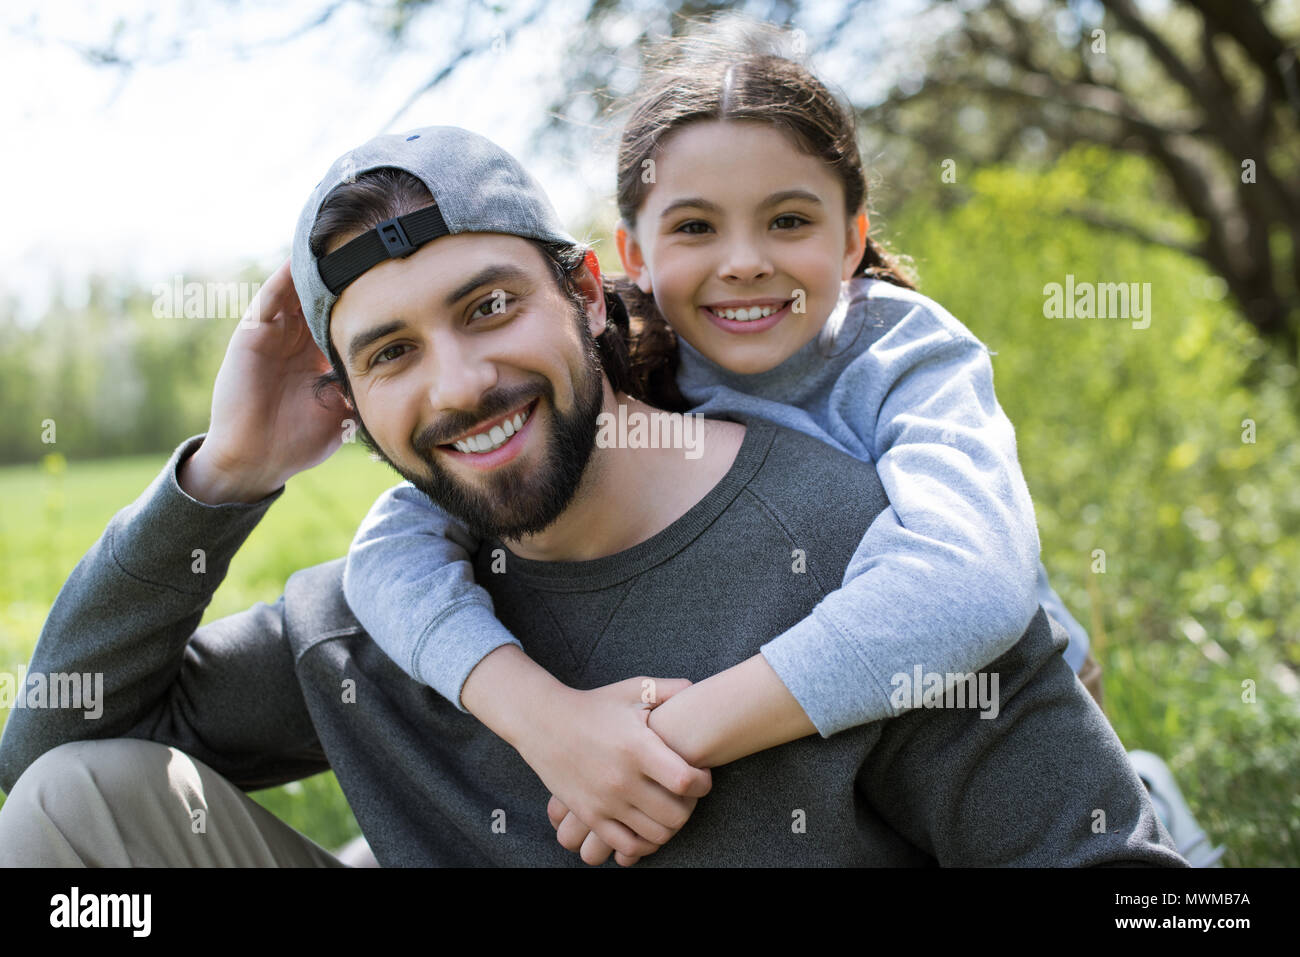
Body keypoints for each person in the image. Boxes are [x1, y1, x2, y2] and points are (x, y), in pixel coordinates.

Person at [0, 125, 1183, 867]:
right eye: (391, 354)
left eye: (487, 307)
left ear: (585, 290)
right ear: (349, 406)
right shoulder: (376, 618)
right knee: (76, 804)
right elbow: (47, 761)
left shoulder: (867, 563)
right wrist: (223, 479)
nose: (461, 384)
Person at [339, 19, 1106, 866]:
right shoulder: (616, 358)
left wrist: (666, 738)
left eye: (787, 220)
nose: (742, 262)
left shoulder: (905, 354)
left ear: (851, 239)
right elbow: (387, 549)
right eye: (696, 227)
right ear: (633, 252)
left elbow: (969, 580)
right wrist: (550, 722)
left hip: (1000, 705)